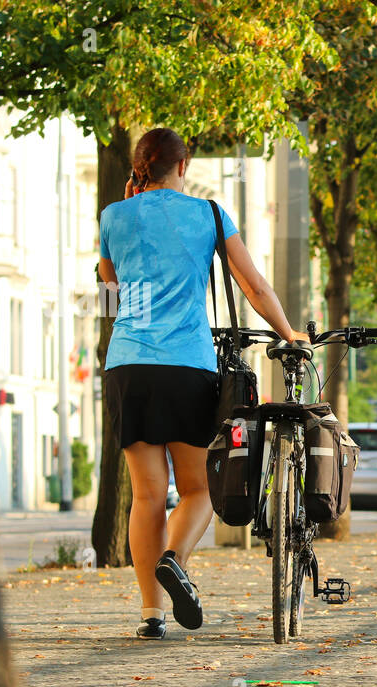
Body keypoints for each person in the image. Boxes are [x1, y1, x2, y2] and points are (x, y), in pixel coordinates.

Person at [98, 127, 306, 639]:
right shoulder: (208, 215)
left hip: (127, 366)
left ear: (139, 168)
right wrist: (289, 332)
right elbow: (252, 284)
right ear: (183, 166)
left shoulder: (112, 217)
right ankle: (176, 559)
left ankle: (151, 616)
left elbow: (110, 290)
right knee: (198, 489)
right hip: (187, 366)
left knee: (147, 496)